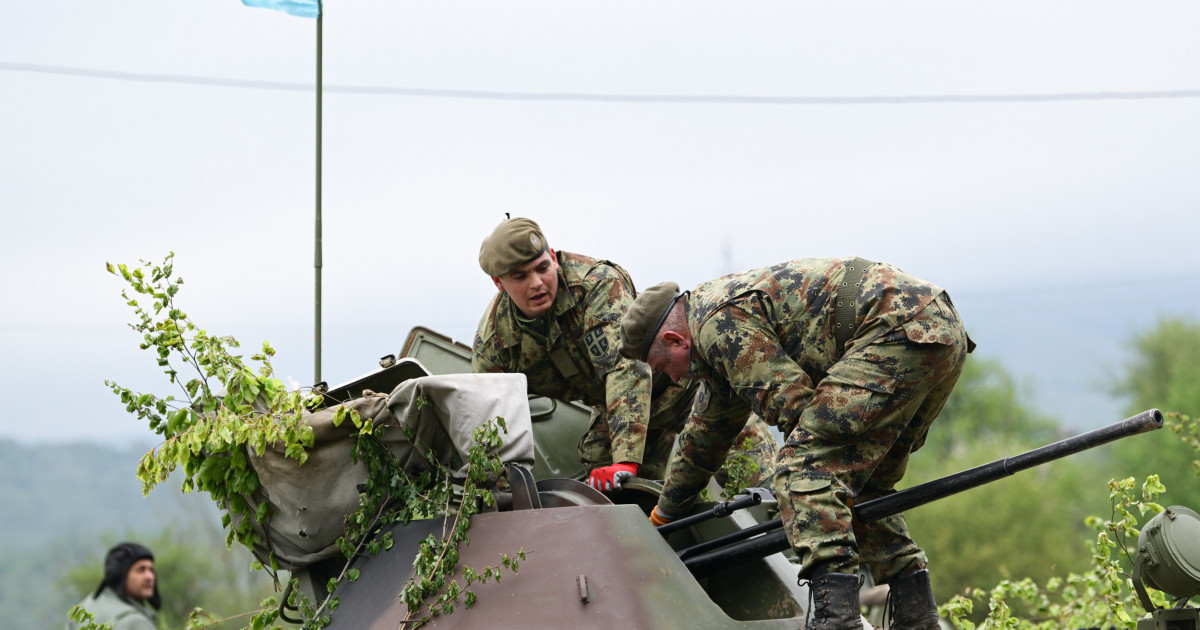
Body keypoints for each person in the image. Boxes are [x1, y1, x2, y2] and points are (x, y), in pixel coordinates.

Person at [619, 257, 973, 630]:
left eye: (663, 367)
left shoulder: (717, 326)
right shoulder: (714, 334)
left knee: (803, 469)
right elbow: (703, 439)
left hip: (896, 331)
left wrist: (808, 493)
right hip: (937, 328)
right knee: (865, 485)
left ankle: (836, 620)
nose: (673, 380)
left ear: (675, 340)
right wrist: (663, 516)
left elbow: (794, 406)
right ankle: (918, 616)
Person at [473, 216, 777, 491]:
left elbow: (626, 368)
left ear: (553, 258)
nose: (536, 283)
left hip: (686, 389)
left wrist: (626, 460)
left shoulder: (597, 284)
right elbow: (490, 421)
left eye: (542, 268)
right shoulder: (495, 343)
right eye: (520, 277)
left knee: (757, 481)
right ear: (498, 283)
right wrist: (497, 493)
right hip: (614, 411)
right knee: (604, 499)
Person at [66, 542, 161, 630]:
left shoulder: (84, 608)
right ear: (120, 574)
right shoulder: (135, 622)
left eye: (151, 570)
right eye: (141, 570)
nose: (150, 577)